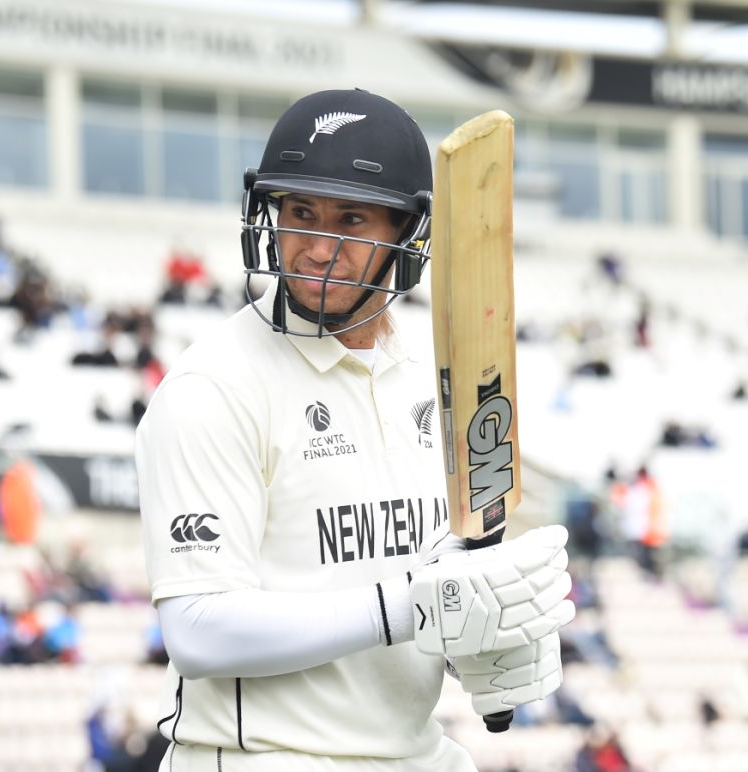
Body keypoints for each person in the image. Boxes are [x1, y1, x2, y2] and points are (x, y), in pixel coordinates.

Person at [135, 89, 575, 772]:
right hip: (264, 757)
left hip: (410, 751)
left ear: (406, 234)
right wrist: (407, 608)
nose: (316, 247)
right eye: (300, 212)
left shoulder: (434, 382)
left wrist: (490, 635)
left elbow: (424, 602)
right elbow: (196, 631)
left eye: (351, 219)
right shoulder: (213, 390)